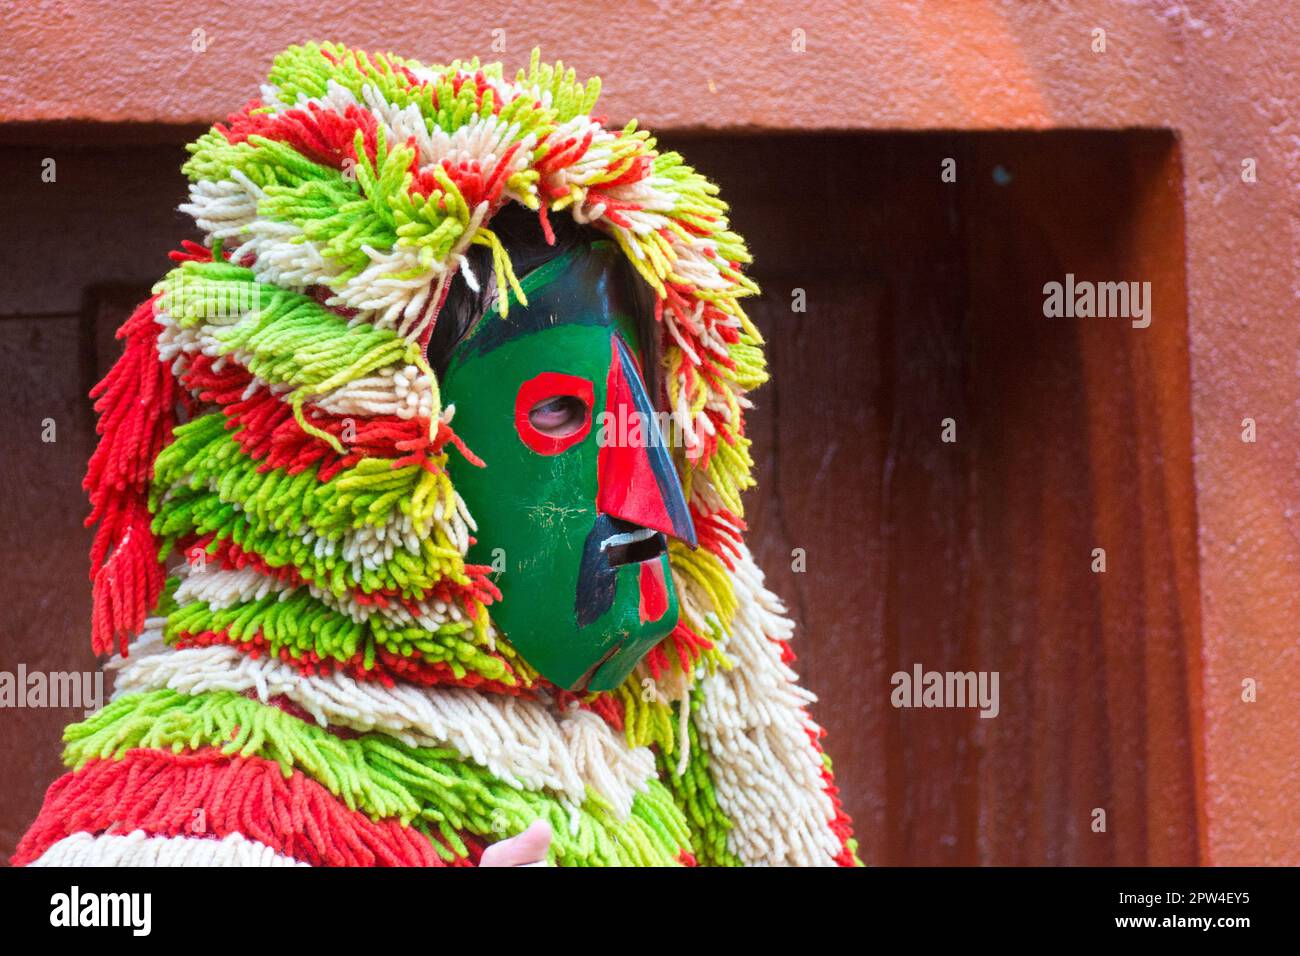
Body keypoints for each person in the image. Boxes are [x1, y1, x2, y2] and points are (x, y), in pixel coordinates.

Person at [14, 42, 858, 867]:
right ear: (360, 450)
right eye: (561, 411)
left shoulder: (675, 726)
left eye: (651, 416)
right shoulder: (185, 819)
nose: (656, 506)